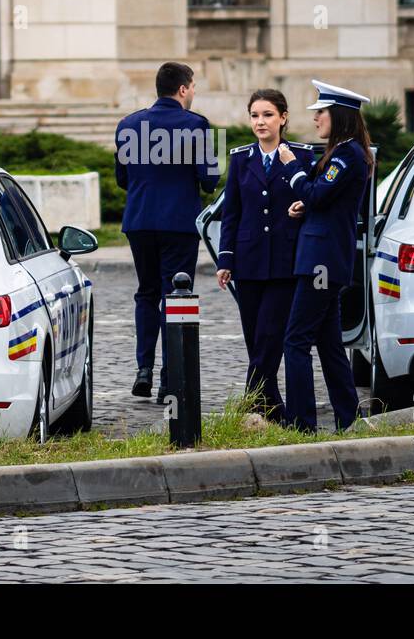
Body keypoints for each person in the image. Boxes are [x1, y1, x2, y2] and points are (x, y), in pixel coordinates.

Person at [115, 62, 220, 401]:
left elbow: (121, 179)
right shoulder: (197, 125)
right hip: (178, 223)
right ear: (184, 89)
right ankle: (169, 378)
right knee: (174, 298)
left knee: (146, 293)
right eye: (193, 87)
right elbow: (208, 180)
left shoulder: (128, 124)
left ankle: (142, 368)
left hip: (140, 221)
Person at [275, 80, 372, 432]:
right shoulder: (343, 152)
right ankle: (348, 419)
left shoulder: (347, 155)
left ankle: (302, 423)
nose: (316, 119)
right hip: (324, 258)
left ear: (339, 116)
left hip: (322, 262)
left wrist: (292, 167)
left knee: (295, 340)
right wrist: (309, 205)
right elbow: (324, 201)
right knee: (330, 345)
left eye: (322, 113)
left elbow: (319, 194)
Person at [215, 89, 315, 420]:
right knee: (255, 339)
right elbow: (231, 213)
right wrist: (225, 259)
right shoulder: (242, 158)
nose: (260, 122)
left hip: (286, 261)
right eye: (255, 115)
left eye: (268, 115)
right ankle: (272, 409)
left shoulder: (300, 156)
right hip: (249, 261)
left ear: (283, 118)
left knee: (270, 336)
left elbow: (315, 201)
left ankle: (249, 404)